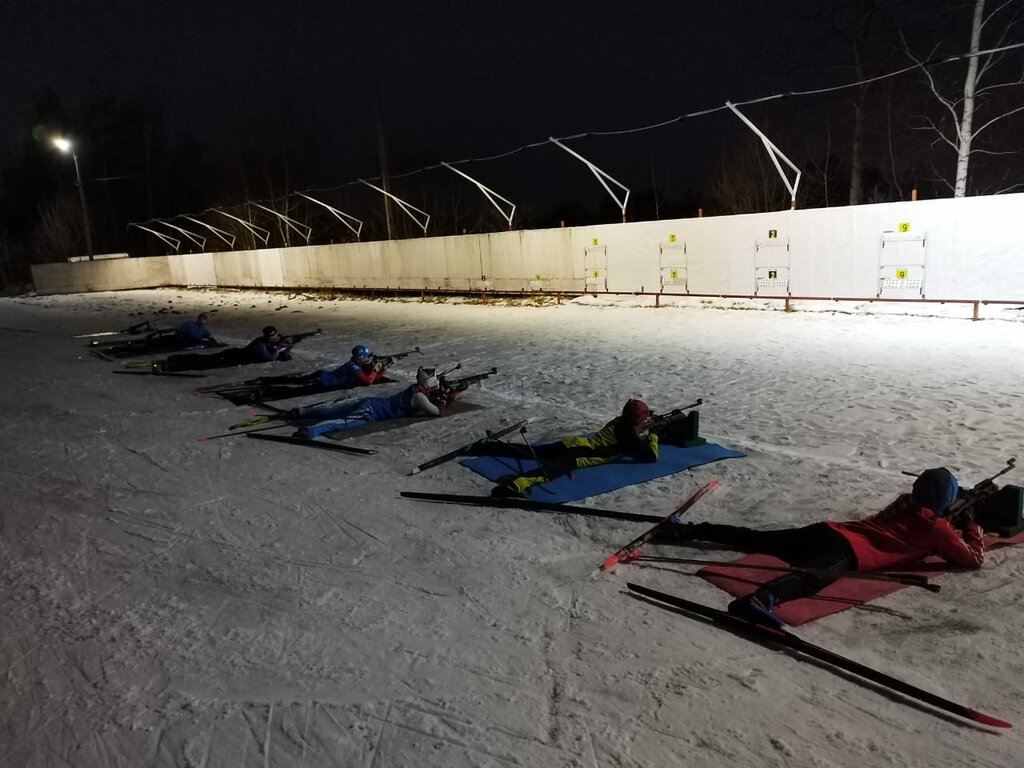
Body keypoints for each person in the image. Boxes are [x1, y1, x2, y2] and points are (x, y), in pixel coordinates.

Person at [653, 467, 984, 627]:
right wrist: (970, 524)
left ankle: (684, 532)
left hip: (829, 531)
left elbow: (921, 516)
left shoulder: (905, 501)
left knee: (755, 538)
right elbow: (972, 560)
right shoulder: (938, 528)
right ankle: (760, 599)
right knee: (813, 577)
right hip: (849, 552)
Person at [481, 399, 660, 497]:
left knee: (531, 452)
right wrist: (653, 435)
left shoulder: (619, 420)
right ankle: (513, 486)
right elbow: (650, 456)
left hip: (574, 443)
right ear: (636, 419)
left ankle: (488, 447)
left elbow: (629, 431)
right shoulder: (628, 435)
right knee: (550, 471)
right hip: (580, 455)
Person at [289, 366, 455, 438]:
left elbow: (429, 398)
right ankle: (311, 431)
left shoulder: (416, 389)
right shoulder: (419, 397)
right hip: (371, 411)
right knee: (343, 422)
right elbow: (437, 412)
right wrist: (445, 398)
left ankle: (302, 412)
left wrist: (446, 396)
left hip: (372, 403)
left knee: (336, 410)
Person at [158, 325, 292, 372]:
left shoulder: (266, 341)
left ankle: (174, 361)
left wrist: (286, 346)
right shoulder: (260, 344)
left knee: (205, 360)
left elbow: (280, 350)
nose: (277, 337)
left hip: (234, 355)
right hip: (232, 357)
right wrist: (279, 348)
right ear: (269, 337)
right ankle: (174, 362)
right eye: (274, 335)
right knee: (204, 362)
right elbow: (270, 359)